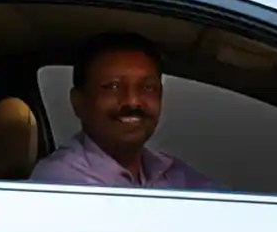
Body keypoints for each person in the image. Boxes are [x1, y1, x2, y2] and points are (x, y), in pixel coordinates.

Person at [29, 31, 223, 190]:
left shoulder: (167, 170)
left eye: (147, 88)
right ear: (78, 102)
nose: (132, 101)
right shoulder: (61, 181)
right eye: (113, 86)